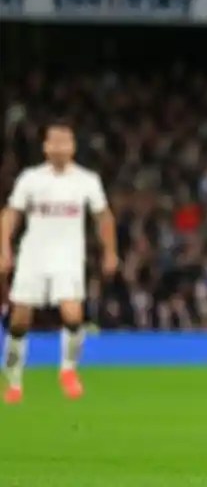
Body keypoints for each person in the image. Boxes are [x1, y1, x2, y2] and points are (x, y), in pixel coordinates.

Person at [0, 121, 118, 404]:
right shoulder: (30, 178)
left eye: (65, 142)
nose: (59, 147)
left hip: (68, 257)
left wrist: (110, 252)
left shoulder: (87, 180)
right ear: (45, 147)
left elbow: (104, 217)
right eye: (54, 142)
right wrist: (4, 247)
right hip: (33, 255)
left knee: (73, 315)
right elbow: (11, 214)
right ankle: (14, 381)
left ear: (73, 147)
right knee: (19, 321)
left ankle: (67, 371)